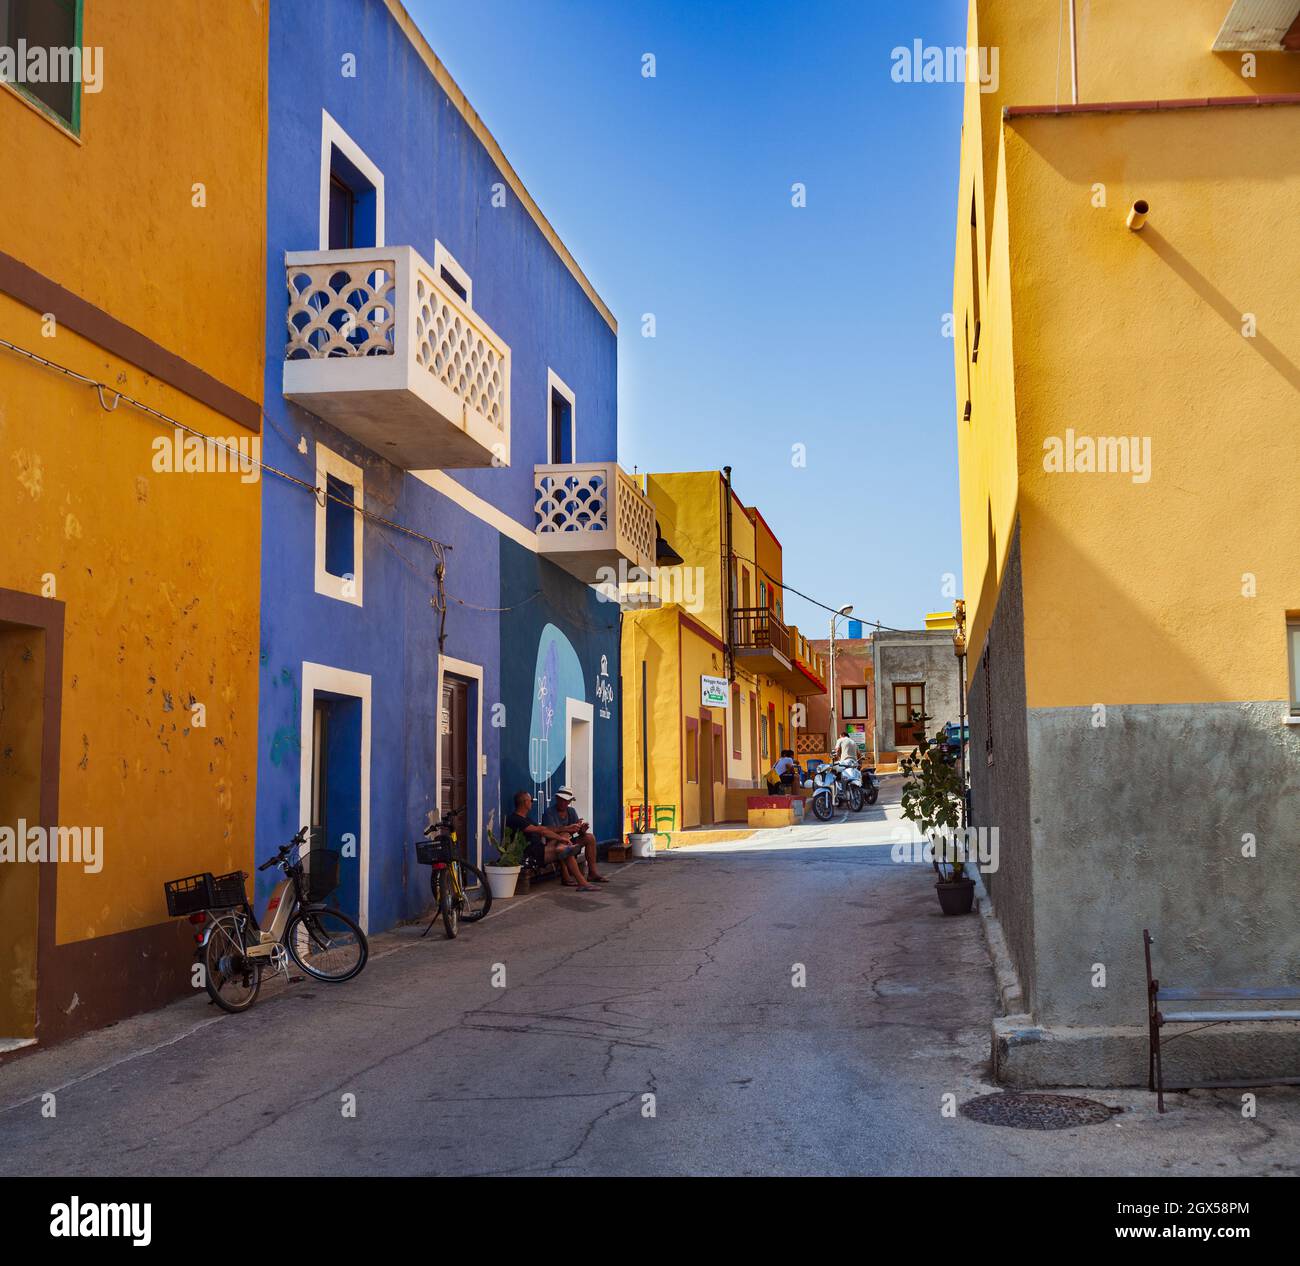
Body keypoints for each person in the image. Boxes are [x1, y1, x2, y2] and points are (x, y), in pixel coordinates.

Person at [506, 790, 596, 892]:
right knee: (565, 849)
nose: (532, 803)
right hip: (530, 855)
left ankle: (563, 850)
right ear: (525, 802)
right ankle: (583, 883)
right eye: (531, 800)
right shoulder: (515, 819)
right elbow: (542, 830)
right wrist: (561, 838)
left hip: (539, 850)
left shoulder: (526, 819)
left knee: (565, 844)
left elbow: (546, 829)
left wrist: (568, 830)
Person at [542, 786, 608, 884]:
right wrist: (567, 829)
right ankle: (566, 876)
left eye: (566, 801)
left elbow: (576, 832)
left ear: (569, 801)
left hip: (569, 841)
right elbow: (548, 831)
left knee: (590, 837)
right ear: (557, 799)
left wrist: (582, 830)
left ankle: (592, 873)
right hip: (554, 844)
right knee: (564, 837)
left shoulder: (571, 811)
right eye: (561, 800)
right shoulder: (549, 812)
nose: (563, 803)